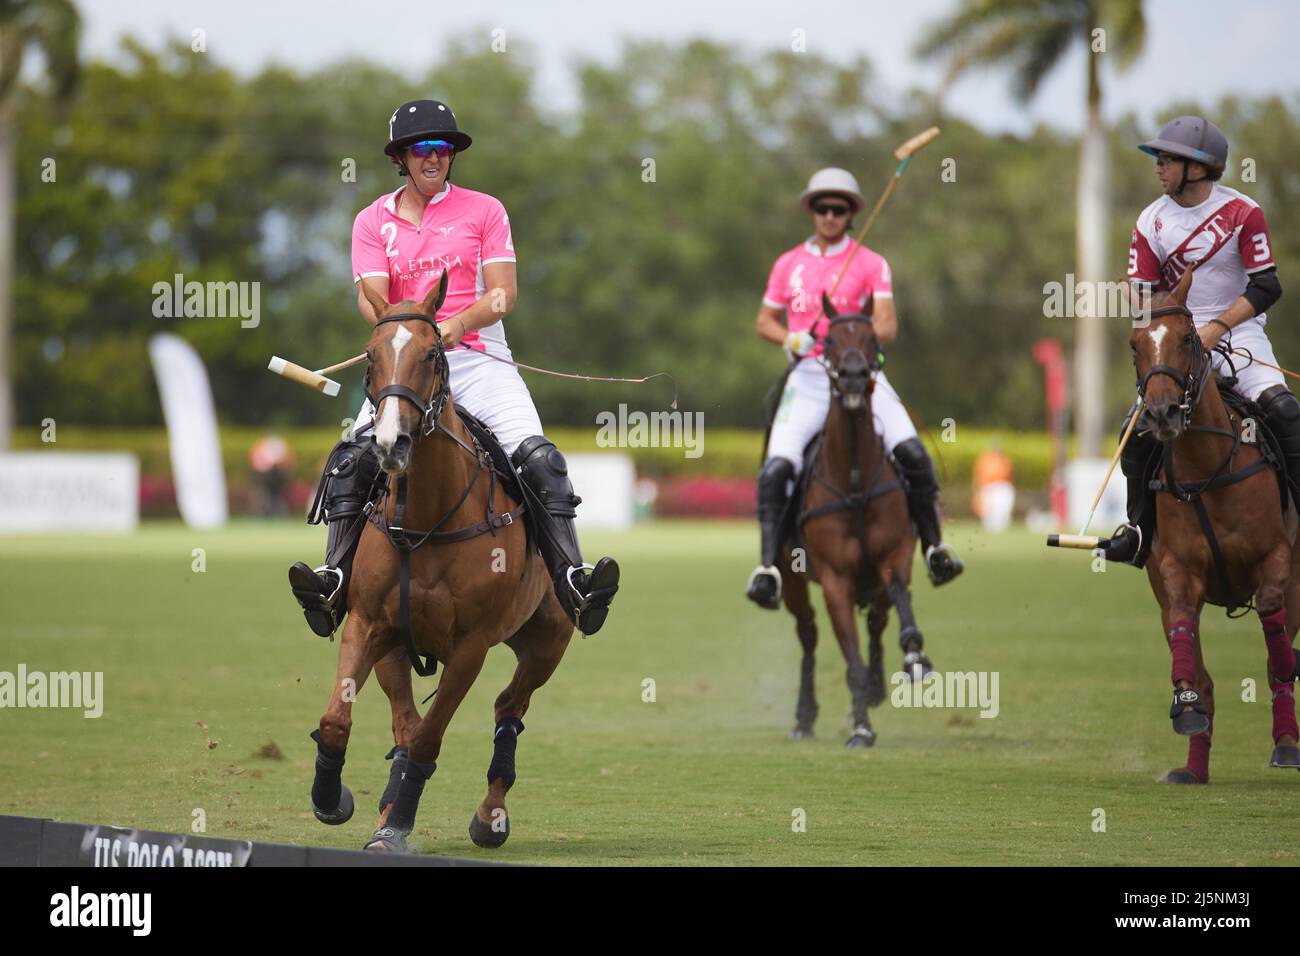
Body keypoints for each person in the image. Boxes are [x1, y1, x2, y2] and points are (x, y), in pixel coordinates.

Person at [288, 98, 620, 635]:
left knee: (541, 460)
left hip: (479, 360)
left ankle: (573, 581)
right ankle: (333, 579)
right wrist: (412, 329)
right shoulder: (373, 221)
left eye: (443, 148)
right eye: (423, 148)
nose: (434, 158)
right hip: (408, 365)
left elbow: (503, 295)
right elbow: (371, 296)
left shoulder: (484, 210)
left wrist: (451, 327)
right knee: (352, 460)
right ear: (402, 156)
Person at [745, 167, 964, 609]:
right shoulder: (789, 264)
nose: (830, 216)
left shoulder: (871, 262)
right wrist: (790, 338)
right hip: (807, 381)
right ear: (812, 211)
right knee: (776, 469)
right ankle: (768, 567)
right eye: (822, 208)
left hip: (863, 379)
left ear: (851, 214)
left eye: (839, 209)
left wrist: (849, 336)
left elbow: (887, 324)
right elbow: (764, 321)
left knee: (913, 453)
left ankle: (935, 548)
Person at [1105, 115, 1294, 566]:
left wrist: (1217, 329)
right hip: (1176, 337)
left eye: (1166, 160)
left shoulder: (1243, 212)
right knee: (1136, 430)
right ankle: (1138, 530)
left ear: (1197, 167)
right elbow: (1148, 296)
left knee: (1286, 413)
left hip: (1240, 333)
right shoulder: (1151, 221)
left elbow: (1266, 286)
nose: (1158, 168)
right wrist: (1144, 303)